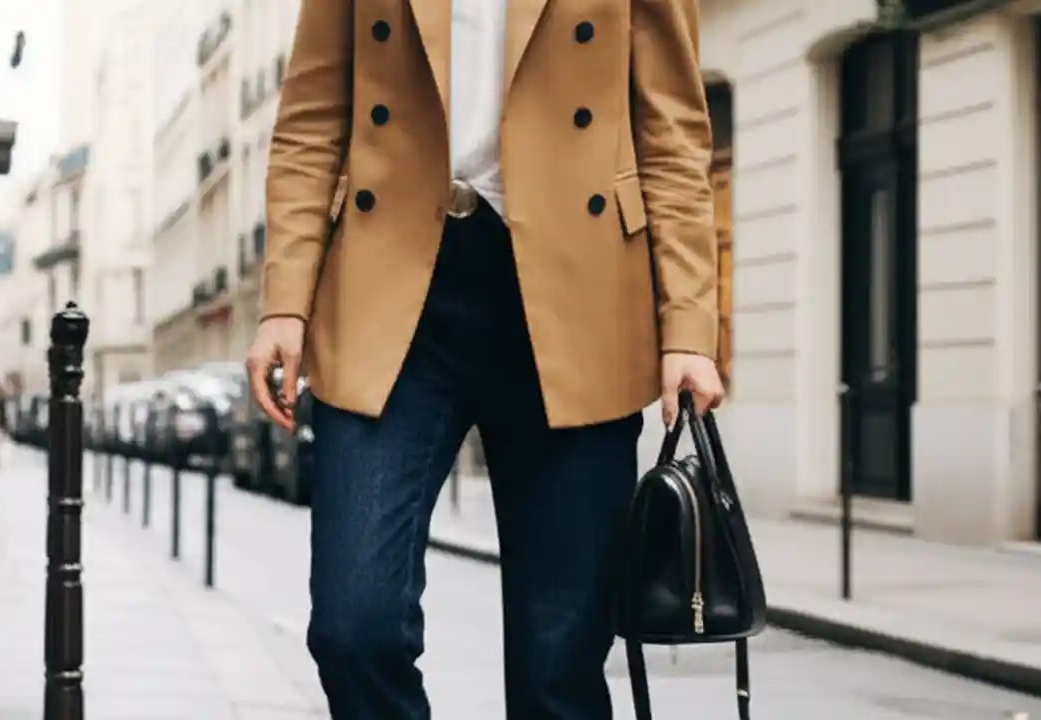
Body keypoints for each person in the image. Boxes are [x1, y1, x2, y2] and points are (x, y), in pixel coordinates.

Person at [245, 1, 723, 717]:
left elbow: (671, 134)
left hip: (576, 293)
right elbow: (311, 118)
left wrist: (687, 325)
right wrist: (286, 300)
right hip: (392, 286)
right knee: (355, 626)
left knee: (557, 669)